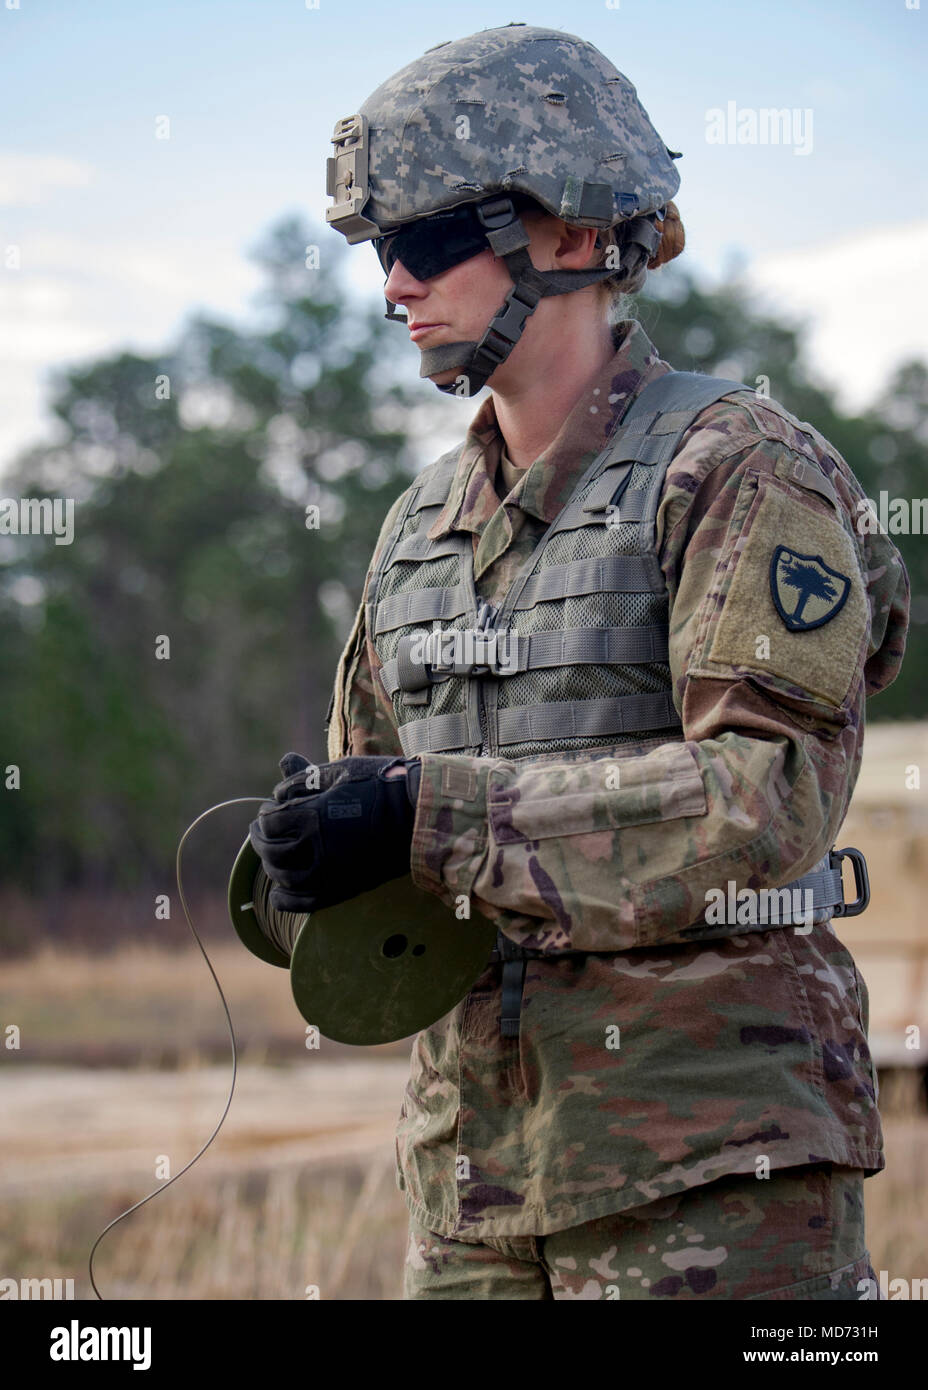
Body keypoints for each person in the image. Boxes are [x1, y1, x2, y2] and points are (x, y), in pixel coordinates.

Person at [249, 24, 910, 1299]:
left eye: (428, 237)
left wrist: (427, 816)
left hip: (708, 1168)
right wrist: (316, 852)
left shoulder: (735, 469)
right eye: (380, 250)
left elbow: (761, 799)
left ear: (567, 233)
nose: (394, 284)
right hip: (472, 1185)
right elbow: (381, 812)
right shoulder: (416, 528)